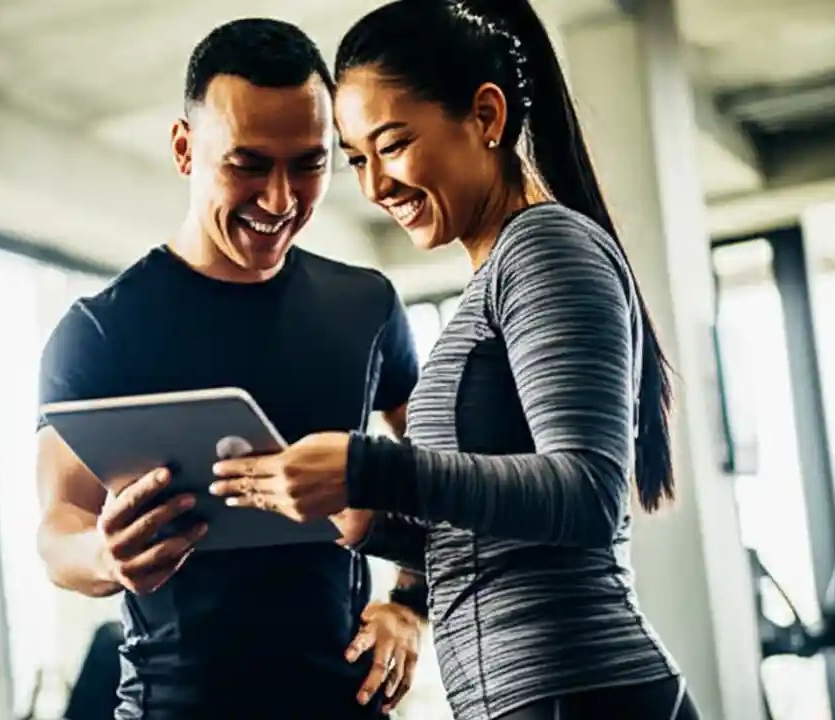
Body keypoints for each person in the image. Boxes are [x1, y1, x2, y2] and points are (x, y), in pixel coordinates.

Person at [209, 1, 702, 719]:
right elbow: (497, 538)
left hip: (582, 691)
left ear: (488, 117)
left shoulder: (546, 248)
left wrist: (370, 466)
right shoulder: (494, 277)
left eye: (394, 143)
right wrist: (370, 516)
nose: (376, 186)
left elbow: (588, 493)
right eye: (357, 159)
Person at [35, 18, 427, 720]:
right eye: (247, 164)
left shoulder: (368, 305)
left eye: (308, 164)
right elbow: (58, 527)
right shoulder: (101, 329)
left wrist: (409, 603)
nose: (280, 202)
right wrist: (104, 557)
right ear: (185, 150)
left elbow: (441, 471)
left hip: (343, 702)